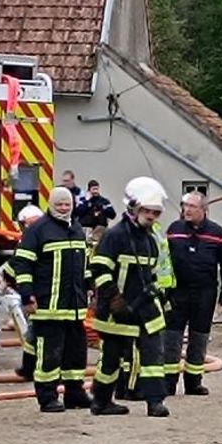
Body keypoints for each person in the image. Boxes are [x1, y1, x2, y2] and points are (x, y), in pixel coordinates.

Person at [88, 177, 172, 418]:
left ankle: (155, 402)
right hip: (118, 310)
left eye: (156, 212)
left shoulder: (150, 240)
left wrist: (162, 298)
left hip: (145, 308)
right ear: (133, 208)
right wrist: (114, 298)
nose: (151, 216)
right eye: (147, 211)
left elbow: (152, 274)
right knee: (111, 358)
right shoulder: (114, 236)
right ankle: (101, 401)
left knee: (153, 355)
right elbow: (99, 270)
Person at [4, 188, 91, 412]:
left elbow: (84, 265)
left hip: (74, 307)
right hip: (48, 306)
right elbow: (23, 265)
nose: (63, 208)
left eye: (67, 204)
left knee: (76, 354)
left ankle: (75, 393)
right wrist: (27, 295)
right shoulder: (38, 230)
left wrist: (89, 288)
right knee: (49, 356)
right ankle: (47, 396)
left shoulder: (76, 228)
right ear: (51, 205)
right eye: (59, 205)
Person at [163, 191, 222, 396]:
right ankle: (168, 382)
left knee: (199, 336)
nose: (187, 210)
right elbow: (163, 261)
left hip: (204, 293)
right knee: (172, 337)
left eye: (192, 206)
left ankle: (193, 382)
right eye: (184, 205)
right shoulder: (174, 230)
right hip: (177, 292)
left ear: (204, 209)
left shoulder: (217, 233)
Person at [4, 204, 46, 381]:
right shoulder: (35, 239)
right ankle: (29, 368)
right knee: (34, 331)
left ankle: (31, 369)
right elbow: (15, 266)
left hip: (40, 292)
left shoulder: (32, 241)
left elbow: (16, 266)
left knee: (37, 332)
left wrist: (7, 279)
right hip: (34, 291)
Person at [74, 179, 116, 245]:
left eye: (97, 189)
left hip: (100, 230)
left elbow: (113, 215)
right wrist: (87, 201)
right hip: (86, 229)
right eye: (93, 189)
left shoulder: (104, 201)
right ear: (89, 190)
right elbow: (78, 212)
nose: (95, 191)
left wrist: (103, 208)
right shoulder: (83, 201)